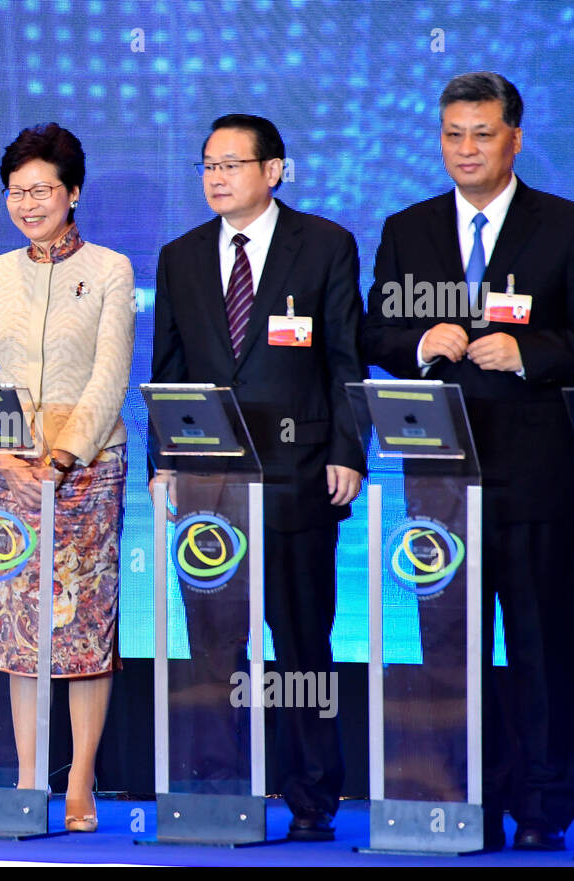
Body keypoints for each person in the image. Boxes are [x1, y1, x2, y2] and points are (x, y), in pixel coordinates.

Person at [361, 72, 574, 850]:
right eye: (454, 134)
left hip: (538, 474)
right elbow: (373, 332)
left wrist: (530, 351)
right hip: (439, 482)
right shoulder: (407, 230)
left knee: (544, 648)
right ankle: (462, 798)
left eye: (482, 134)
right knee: (449, 648)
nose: (467, 149)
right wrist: (418, 342)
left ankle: (544, 811)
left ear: (515, 137)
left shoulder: (567, 225)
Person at [153, 114, 365, 841]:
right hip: (210, 487)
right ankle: (216, 790)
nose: (216, 177)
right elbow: (170, 373)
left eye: (232, 164)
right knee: (213, 644)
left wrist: (348, 451)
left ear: (274, 171)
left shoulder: (326, 244)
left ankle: (312, 798)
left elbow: (344, 361)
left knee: (302, 642)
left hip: (299, 475)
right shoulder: (179, 256)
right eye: (207, 165)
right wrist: (164, 463)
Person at [0, 123, 134, 832]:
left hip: (88, 470)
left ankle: (80, 784)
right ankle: (29, 779)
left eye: (42, 190)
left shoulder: (112, 267)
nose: (28, 204)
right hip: (6, 473)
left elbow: (110, 375)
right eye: (17, 192)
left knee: (84, 628)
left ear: (73, 193)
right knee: (15, 633)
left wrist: (63, 457)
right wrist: (1, 456)